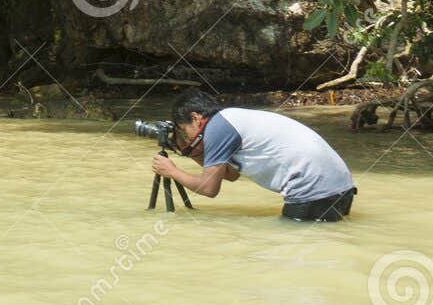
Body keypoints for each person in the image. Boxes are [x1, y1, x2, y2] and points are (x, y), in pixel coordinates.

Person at [149, 90, 357, 221]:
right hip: (341, 190)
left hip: (312, 193)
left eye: (182, 129)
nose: (183, 135)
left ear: (195, 118)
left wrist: (172, 171)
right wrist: (188, 150)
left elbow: (209, 188)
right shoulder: (229, 120)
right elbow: (230, 175)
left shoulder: (217, 128)